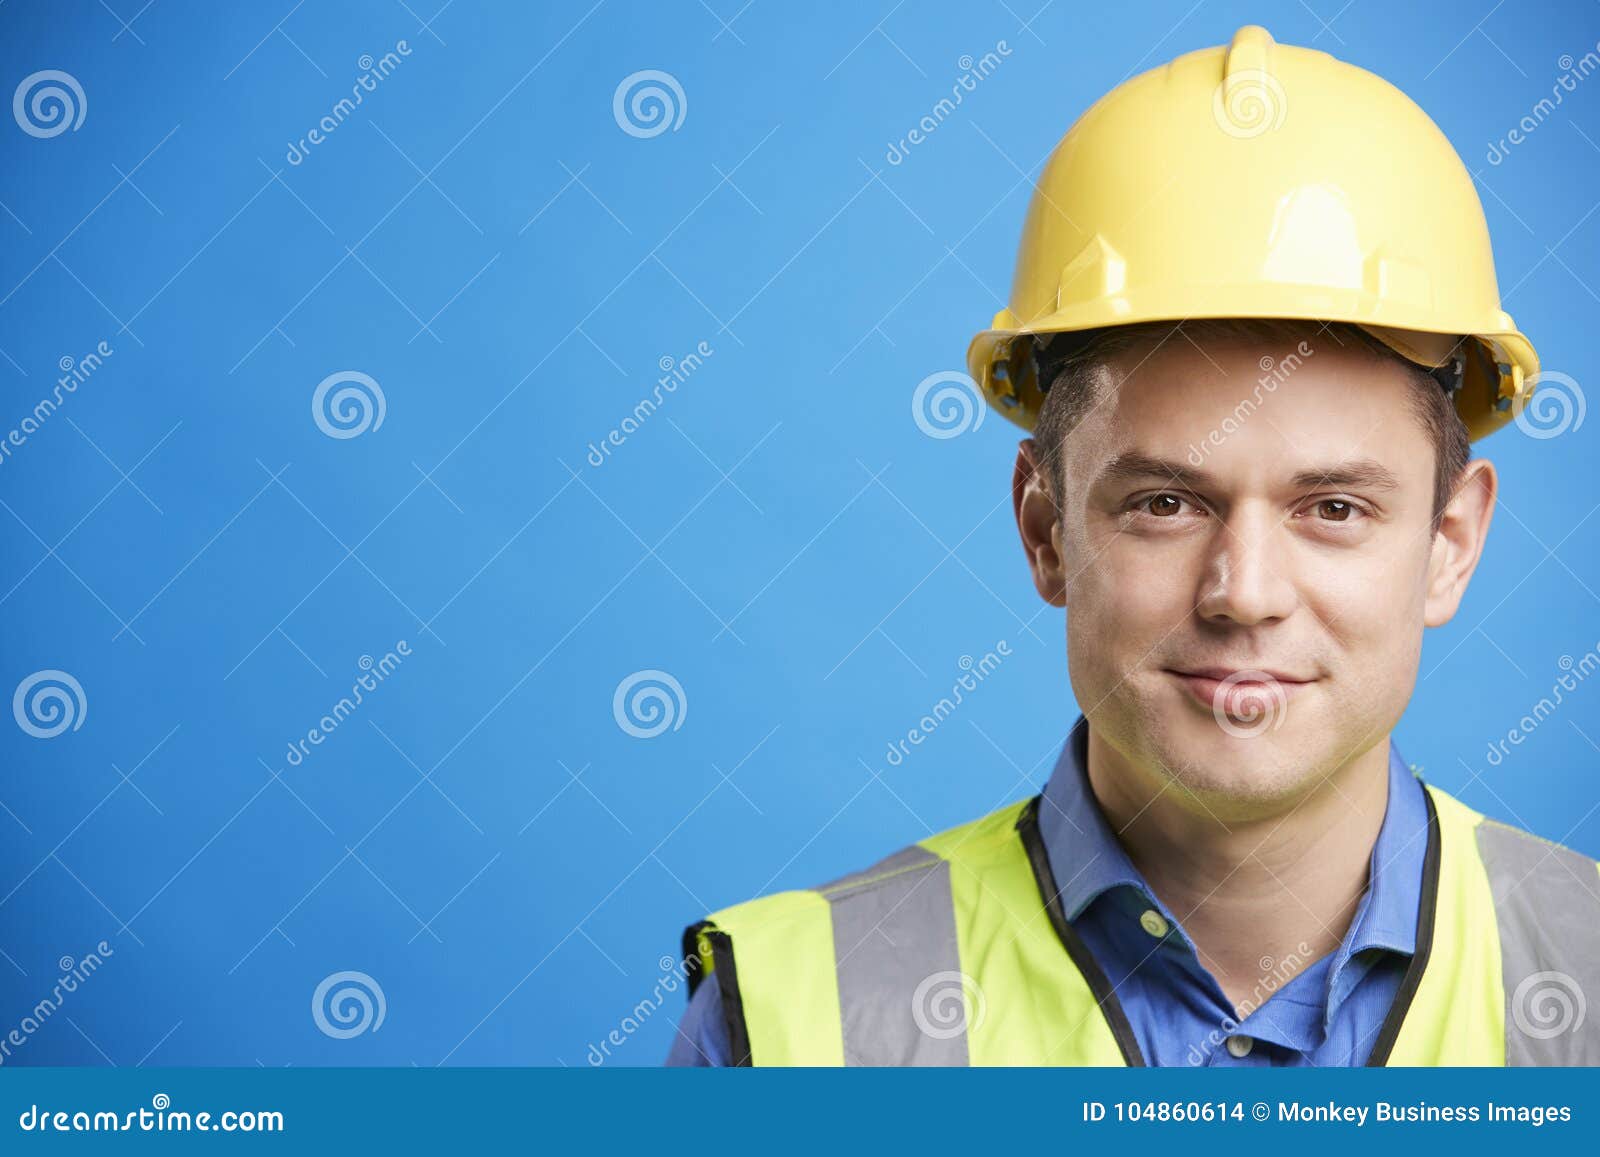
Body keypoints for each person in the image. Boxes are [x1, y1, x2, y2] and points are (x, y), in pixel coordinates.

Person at [665, 25, 1599, 1067]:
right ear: (1044, 527)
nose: (1243, 593)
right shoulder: (794, 1024)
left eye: (1332, 508)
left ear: (1449, 541)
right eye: (1164, 501)